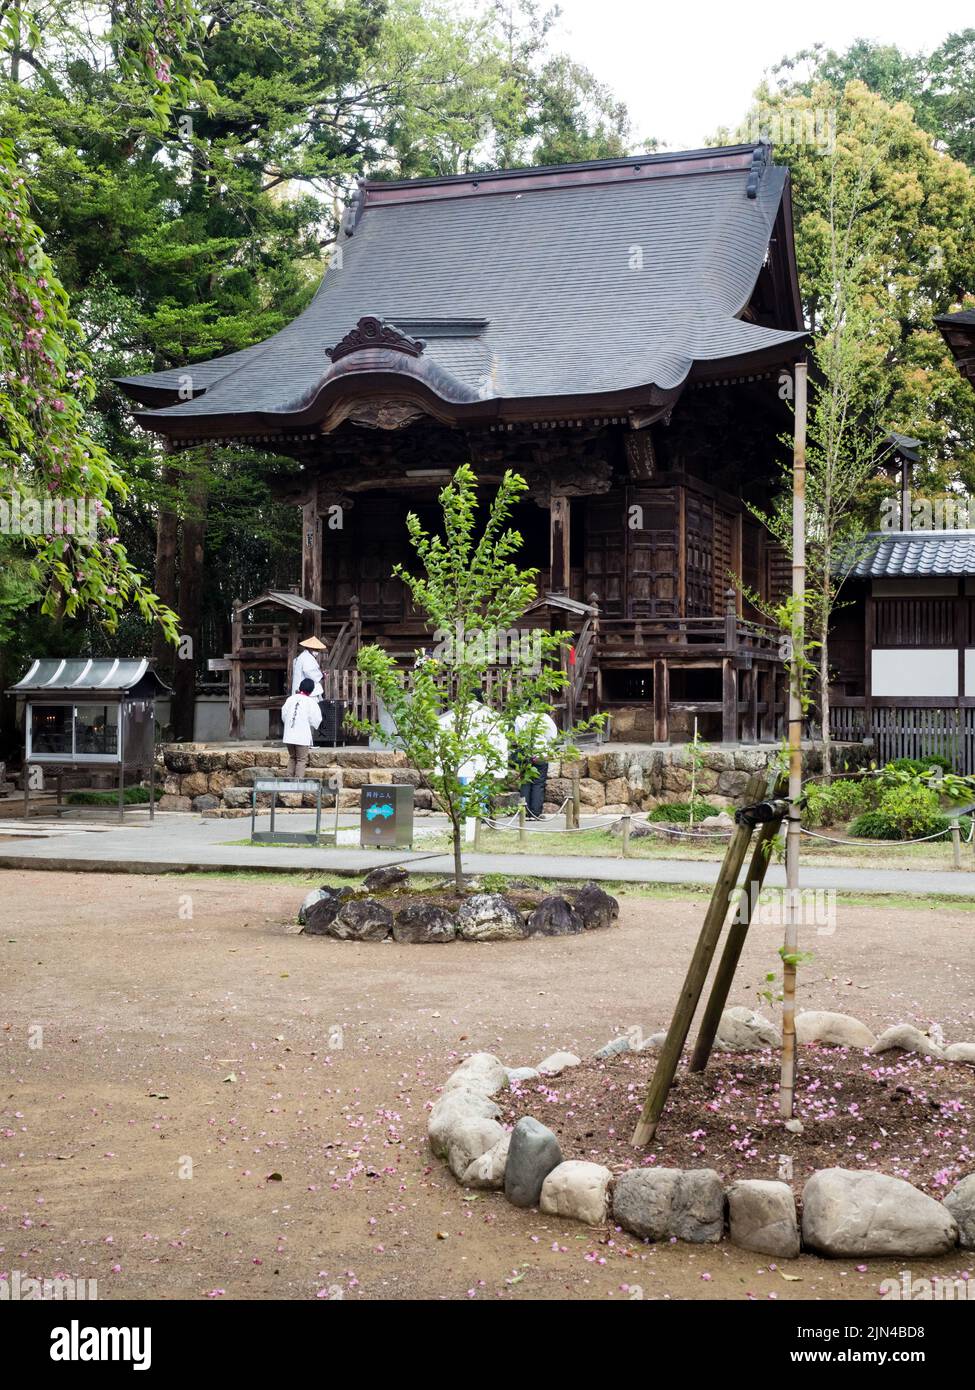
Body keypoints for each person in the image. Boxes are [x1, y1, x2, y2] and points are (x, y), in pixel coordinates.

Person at [514, 709, 559, 818]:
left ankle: (524, 812)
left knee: (525, 782)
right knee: (538, 783)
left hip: (525, 753)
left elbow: (518, 737)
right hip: (540, 753)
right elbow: (552, 737)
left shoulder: (520, 718)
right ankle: (535, 812)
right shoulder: (544, 717)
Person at [280, 677, 322, 780]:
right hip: (302, 736)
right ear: (311, 690)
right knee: (301, 759)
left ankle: (288, 779)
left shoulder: (290, 699)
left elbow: (284, 715)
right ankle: (297, 783)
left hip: (289, 735)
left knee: (292, 757)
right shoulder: (311, 702)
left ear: (300, 687)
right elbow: (316, 719)